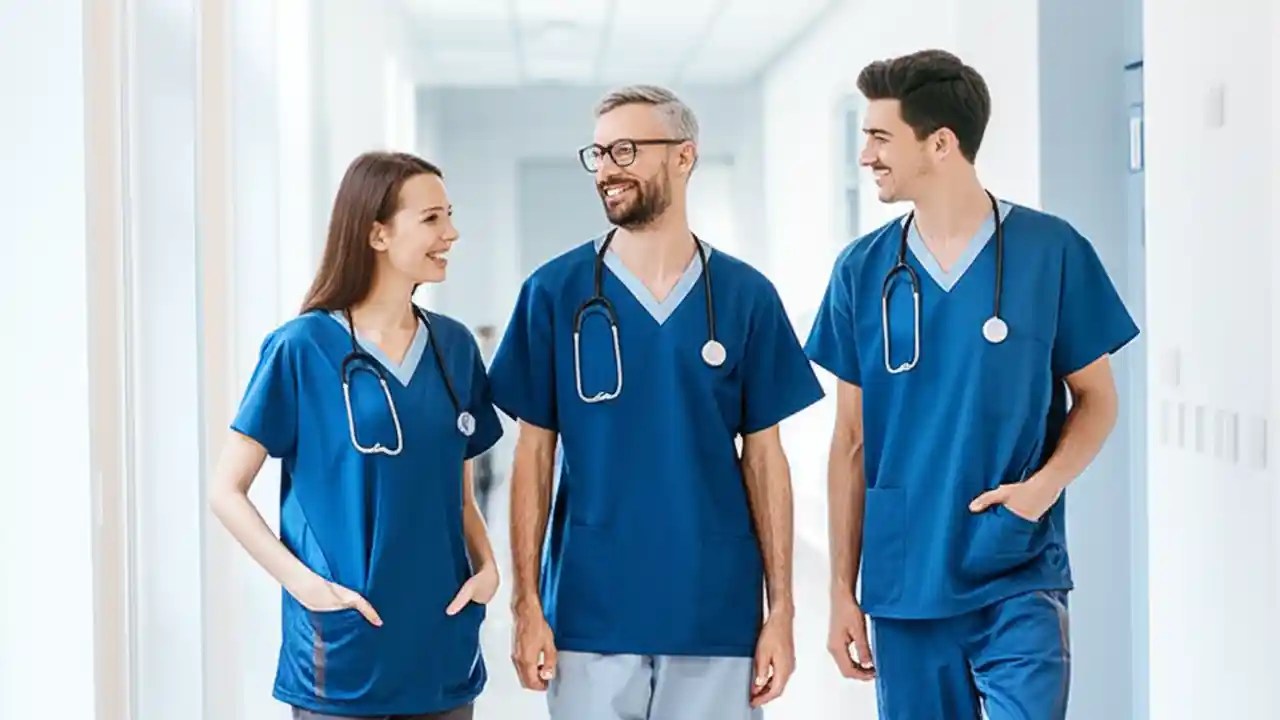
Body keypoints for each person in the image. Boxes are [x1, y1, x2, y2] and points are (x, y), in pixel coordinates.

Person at [805, 50, 1139, 720]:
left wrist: (1040, 490)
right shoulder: (860, 271)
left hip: (1014, 565)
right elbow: (850, 441)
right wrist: (842, 590)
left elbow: (1097, 399)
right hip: (906, 578)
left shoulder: (1051, 251)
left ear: (940, 143)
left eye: (880, 137)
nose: (866, 155)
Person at [487, 85, 824, 720]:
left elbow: (765, 459)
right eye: (598, 153)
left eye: (626, 150)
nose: (607, 169)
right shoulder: (553, 293)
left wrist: (781, 611)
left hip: (713, 607)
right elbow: (532, 456)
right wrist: (525, 604)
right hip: (589, 607)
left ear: (683, 156)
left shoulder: (745, 296)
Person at [208, 151, 504, 720]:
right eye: (432, 218)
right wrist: (305, 587)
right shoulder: (301, 348)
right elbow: (226, 491)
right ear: (377, 234)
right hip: (342, 648)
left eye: (449, 216)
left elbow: (459, 494)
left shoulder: (454, 348)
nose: (451, 233)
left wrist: (487, 569)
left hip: (440, 645)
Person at [471, 324, 500, 520]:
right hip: (473, 430)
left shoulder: (493, 357)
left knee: (486, 483)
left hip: (489, 434)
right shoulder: (471, 353)